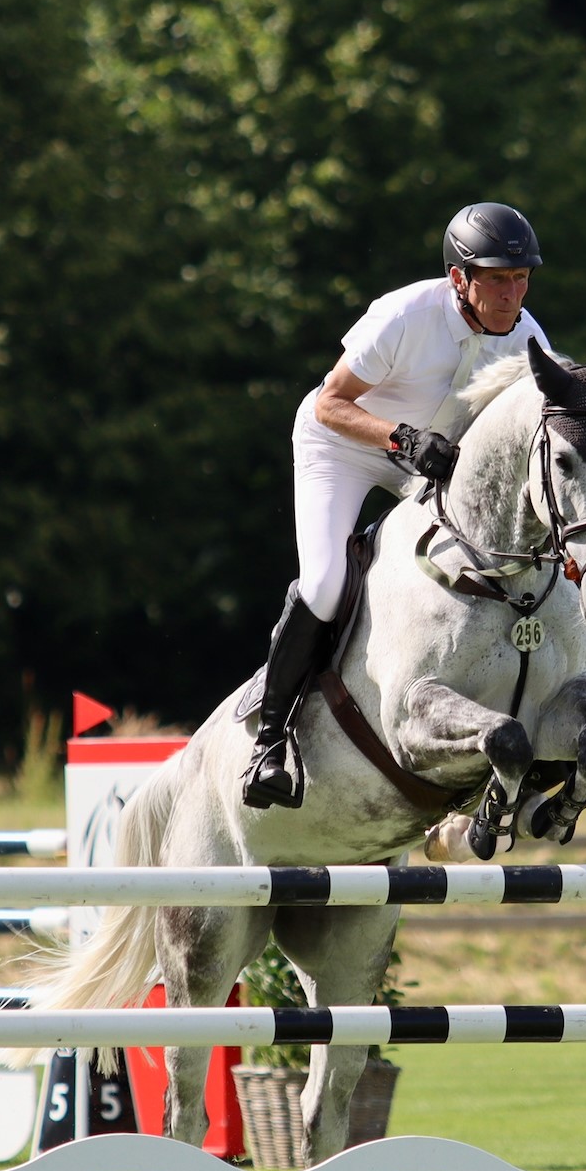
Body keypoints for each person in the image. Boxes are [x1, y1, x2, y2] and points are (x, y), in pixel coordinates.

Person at [242, 202, 551, 809]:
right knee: (328, 584)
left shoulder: (529, 339)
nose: (511, 294)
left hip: (431, 464)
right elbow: (330, 404)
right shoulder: (405, 314)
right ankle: (270, 740)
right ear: (459, 278)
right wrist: (403, 439)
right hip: (343, 446)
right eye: (496, 278)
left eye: (520, 279)